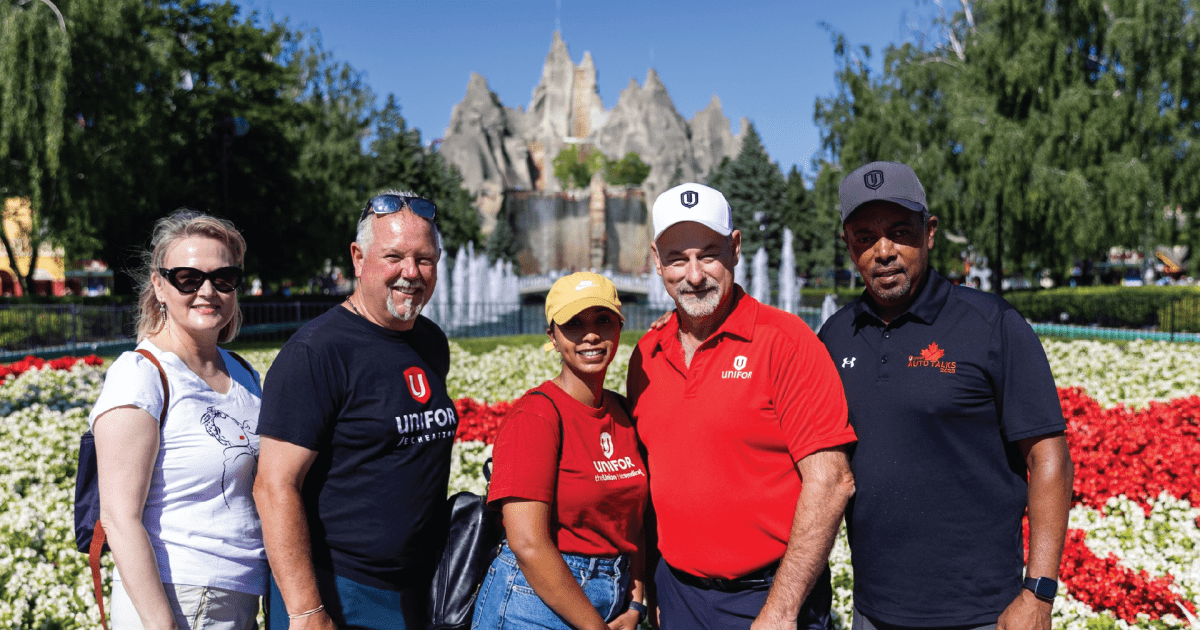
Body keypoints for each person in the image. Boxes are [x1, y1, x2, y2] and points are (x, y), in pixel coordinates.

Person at [818, 161, 1073, 630]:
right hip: (873, 612)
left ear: (929, 232)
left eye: (900, 231)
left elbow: (1048, 457)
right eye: (865, 237)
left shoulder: (992, 325)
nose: (884, 251)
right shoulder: (835, 336)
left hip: (982, 614)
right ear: (848, 245)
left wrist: (1038, 593)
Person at [627, 183, 858, 630]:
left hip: (770, 598)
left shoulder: (786, 342)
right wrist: (652, 591)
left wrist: (781, 610)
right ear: (657, 261)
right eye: (677, 258)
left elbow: (831, 482)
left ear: (735, 249)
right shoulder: (646, 355)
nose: (694, 275)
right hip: (677, 596)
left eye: (708, 254)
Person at [253, 191, 457, 630]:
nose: (411, 273)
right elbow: (273, 486)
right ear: (358, 257)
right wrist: (307, 612)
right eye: (394, 257)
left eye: (425, 259)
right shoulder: (316, 353)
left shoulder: (429, 342)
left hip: (417, 590)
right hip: (341, 592)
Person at [90, 210, 265, 630]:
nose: (207, 290)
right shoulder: (142, 374)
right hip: (176, 600)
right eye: (188, 278)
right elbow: (119, 516)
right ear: (159, 286)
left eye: (224, 278)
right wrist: (161, 624)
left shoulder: (243, 373)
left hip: (240, 597)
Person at [474, 271, 648, 630]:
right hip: (533, 603)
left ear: (619, 327)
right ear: (552, 337)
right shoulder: (535, 416)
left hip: (611, 598)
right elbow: (528, 543)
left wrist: (635, 602)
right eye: (574, 324)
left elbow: (636, 523)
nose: (591, 334)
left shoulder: (624, 413)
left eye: (603, 320)